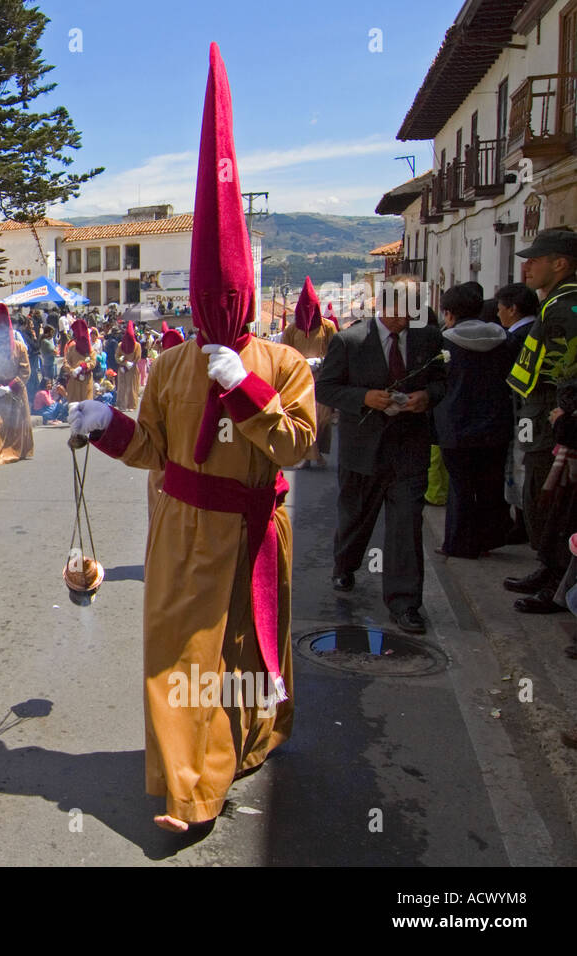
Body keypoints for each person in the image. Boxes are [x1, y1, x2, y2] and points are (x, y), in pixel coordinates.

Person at [70, 44, 315, 832]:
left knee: (242, 652)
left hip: (253, 525)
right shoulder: (171, 363)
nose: (216, 306)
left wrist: (244, 386)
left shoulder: (282, 361)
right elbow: (152, 449)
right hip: (181, 528)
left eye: (227, 294)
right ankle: (191, 791)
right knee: (180, 655)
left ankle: (247, 736)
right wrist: (106, 426)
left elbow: (296, 447)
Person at [317, 274, 446, 634]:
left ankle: (405, 603)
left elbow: (441, 381)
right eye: (398, 310)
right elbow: (326, 388)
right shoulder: (350, 340)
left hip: (408, 449)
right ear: (382, 305)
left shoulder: (428, 339)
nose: (404, 318)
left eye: (411, 310)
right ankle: (345, 565)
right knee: (356, 517)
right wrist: (363, 398)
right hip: (363, 449)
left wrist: (428, 397)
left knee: (406, 524)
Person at [503, 227, 577, 611]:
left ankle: (557, 581)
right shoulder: (556, 302)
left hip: (551, 423)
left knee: (548, 502)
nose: (526, 266)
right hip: (540, 418)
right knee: (540, 499)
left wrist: (567, 405)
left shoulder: (568, 306)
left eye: (535, 260)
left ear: (560, 264)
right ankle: (549, 571)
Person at [433, 283, 513, 559]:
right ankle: (487, 539)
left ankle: (459, 544)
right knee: (490, 483)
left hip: (456, 424)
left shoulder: (444, 343)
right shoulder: (504, 339)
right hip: (497, 423)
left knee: (460, 486)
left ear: (450, 313)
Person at [497, 282, 541, 544]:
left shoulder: (516, 338)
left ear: (512, 309)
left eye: (501, 308)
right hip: (527, 413)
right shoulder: (533, 329)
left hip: (522, 414)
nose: (498, 314)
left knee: (520, 469)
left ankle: (525, 526)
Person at [281, 276, 337, 466]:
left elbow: (337, 352)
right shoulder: (291, 330)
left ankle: (316, 451)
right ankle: (308, 455)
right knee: (304, 417)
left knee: (322, 418)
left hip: (322, 379)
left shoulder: (327, 327)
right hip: (299, 380)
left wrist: (320, 362)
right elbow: (284, 354)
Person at [0, 304, 33, 466]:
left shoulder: (19, 347)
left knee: (16, 423)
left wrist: (10, 387)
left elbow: (25, 371)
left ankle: (17, 450)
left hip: (15, 391)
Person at [64, 318, 94, 403]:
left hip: (86, 379)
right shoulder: (71, 348)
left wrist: (83, 367)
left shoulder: (90, 350)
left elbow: (93, 362)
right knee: (75, 404)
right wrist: (72, 371)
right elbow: (66, 362)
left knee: (86, 403)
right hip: (74, 379)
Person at [114, 320, 142, 410]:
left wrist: (132, 363)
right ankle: (122, 404)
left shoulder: (137, 345)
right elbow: (117, 356)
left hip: (132, 369)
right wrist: (124, 363)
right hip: (122, 369)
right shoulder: (120, 345)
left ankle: (132, 405)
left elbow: (138, 357)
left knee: (132, 386)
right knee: (122, 386)